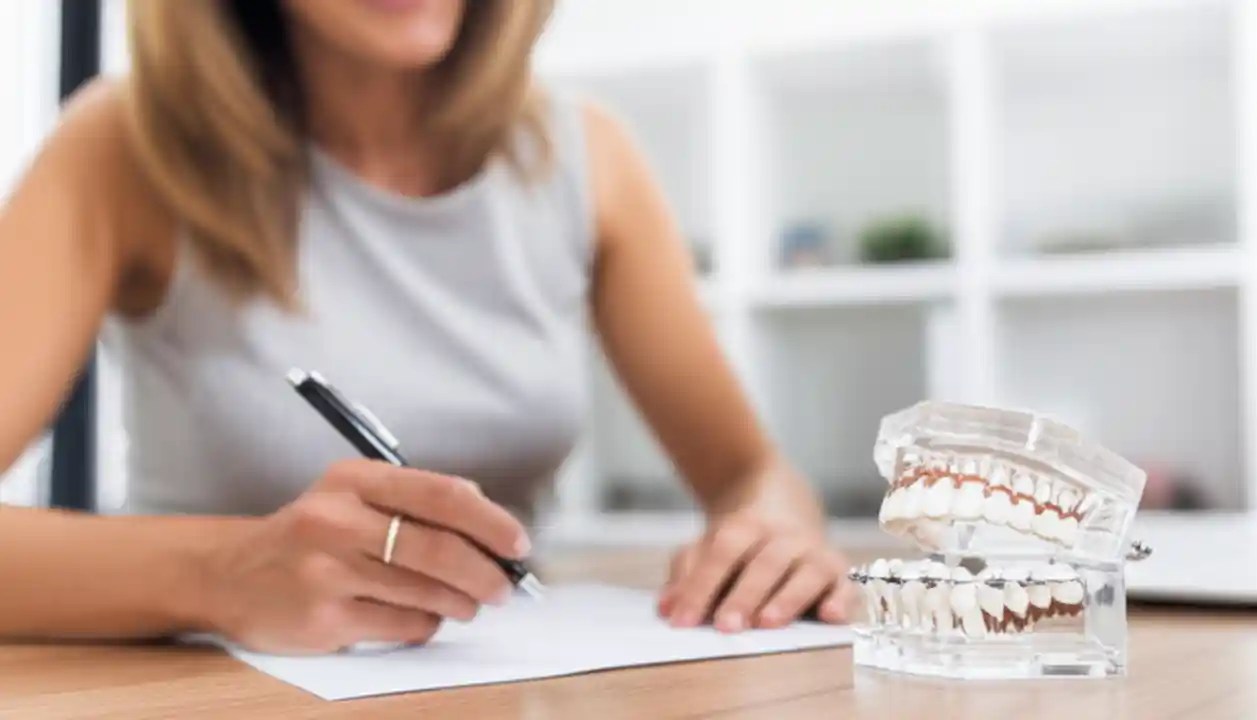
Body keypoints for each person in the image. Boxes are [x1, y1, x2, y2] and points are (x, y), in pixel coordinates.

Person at [0, 0, 853, 653]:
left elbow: (750, 472)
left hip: (508, 684)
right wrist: (222, 574)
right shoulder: (123, 145)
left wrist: (774, 529)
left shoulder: (587, 155)